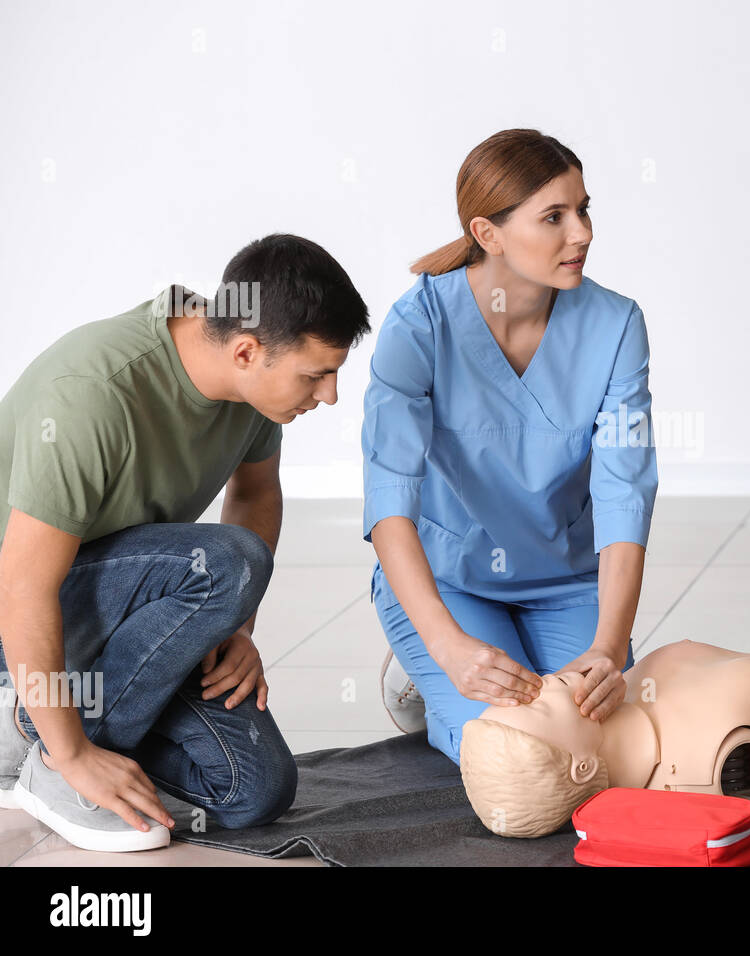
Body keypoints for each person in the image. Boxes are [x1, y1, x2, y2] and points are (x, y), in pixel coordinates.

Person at [0, 234, 370, 851]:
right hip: (16, 613)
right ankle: (49, 753)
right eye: (317, 375)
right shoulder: (92, 394)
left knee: (255, 791)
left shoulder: (245, 381)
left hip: (107, 605)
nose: (329, 395)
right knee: (227, 564)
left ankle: (29, 726)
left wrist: (235, 631)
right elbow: (22, 585)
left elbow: (254, 496)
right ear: (248, 351)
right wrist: (73, 752)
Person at [363, 129, 658, 765]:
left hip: (570, 581)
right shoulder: (419, 325)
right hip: (452, 584)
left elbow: (623, 491)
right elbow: (390, 495)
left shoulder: (616, 324)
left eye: (583, 209)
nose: (581, 232)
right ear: (488, 233)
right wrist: (446, 645)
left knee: (605, 749)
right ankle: (422, 671)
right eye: (553, 217)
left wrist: (610, 645)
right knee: (520, 752)